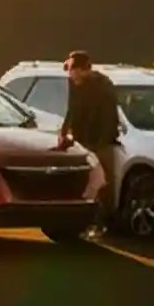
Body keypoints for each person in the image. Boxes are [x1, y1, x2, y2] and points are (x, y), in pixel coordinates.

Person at [57, 50, 120, 238]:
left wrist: (99, 145)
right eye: (70, 69)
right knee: (82, 183)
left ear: (86, 69)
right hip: (81, 140)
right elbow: (72, 109)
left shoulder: (103, 86)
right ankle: (80, 224)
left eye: (75, 70)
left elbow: (110, 117)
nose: (72, 74)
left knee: (103, 184)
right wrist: (64, 131)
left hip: (102, 141)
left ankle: (106, 225)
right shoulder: (74, 84)